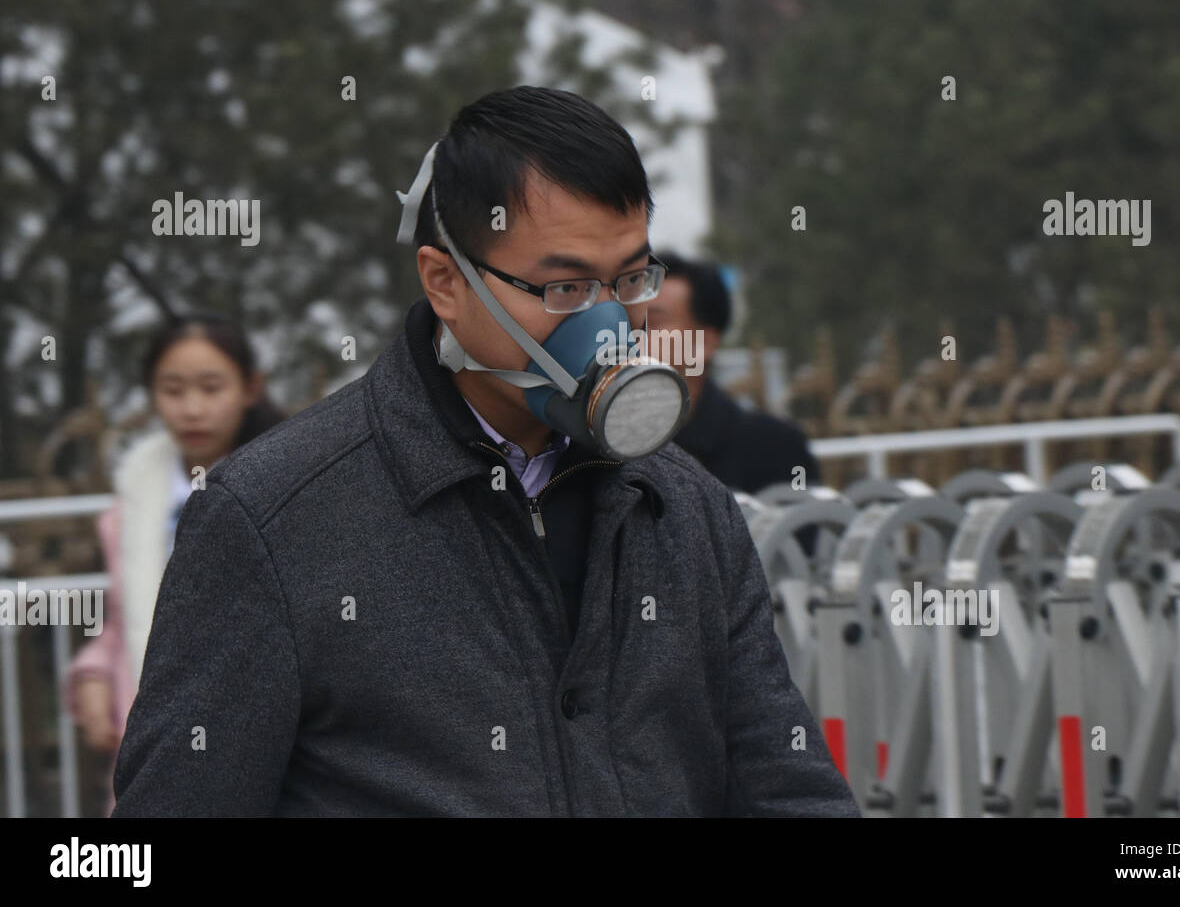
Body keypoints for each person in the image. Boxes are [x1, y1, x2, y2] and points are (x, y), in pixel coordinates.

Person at [111, 85, 858, 817]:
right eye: (564, 288)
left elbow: (783, 781)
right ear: (444, 281)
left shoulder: (686, 507)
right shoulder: (271, 522)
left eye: (631, 279)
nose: (609, 322)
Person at [63, 312, 285, 815]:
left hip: (263, 748)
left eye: (211, 387)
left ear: (251, 388)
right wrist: (94, 675)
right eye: (173, 390)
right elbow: (127, 623)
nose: (192, 409)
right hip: (154, 747)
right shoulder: (129, 511)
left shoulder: (289, 495)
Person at [648, 250, 822, 495]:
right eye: (630, 319)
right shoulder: (611, 451)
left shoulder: (772, 448)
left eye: (653, 323)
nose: (634, 335)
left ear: (705, 342)